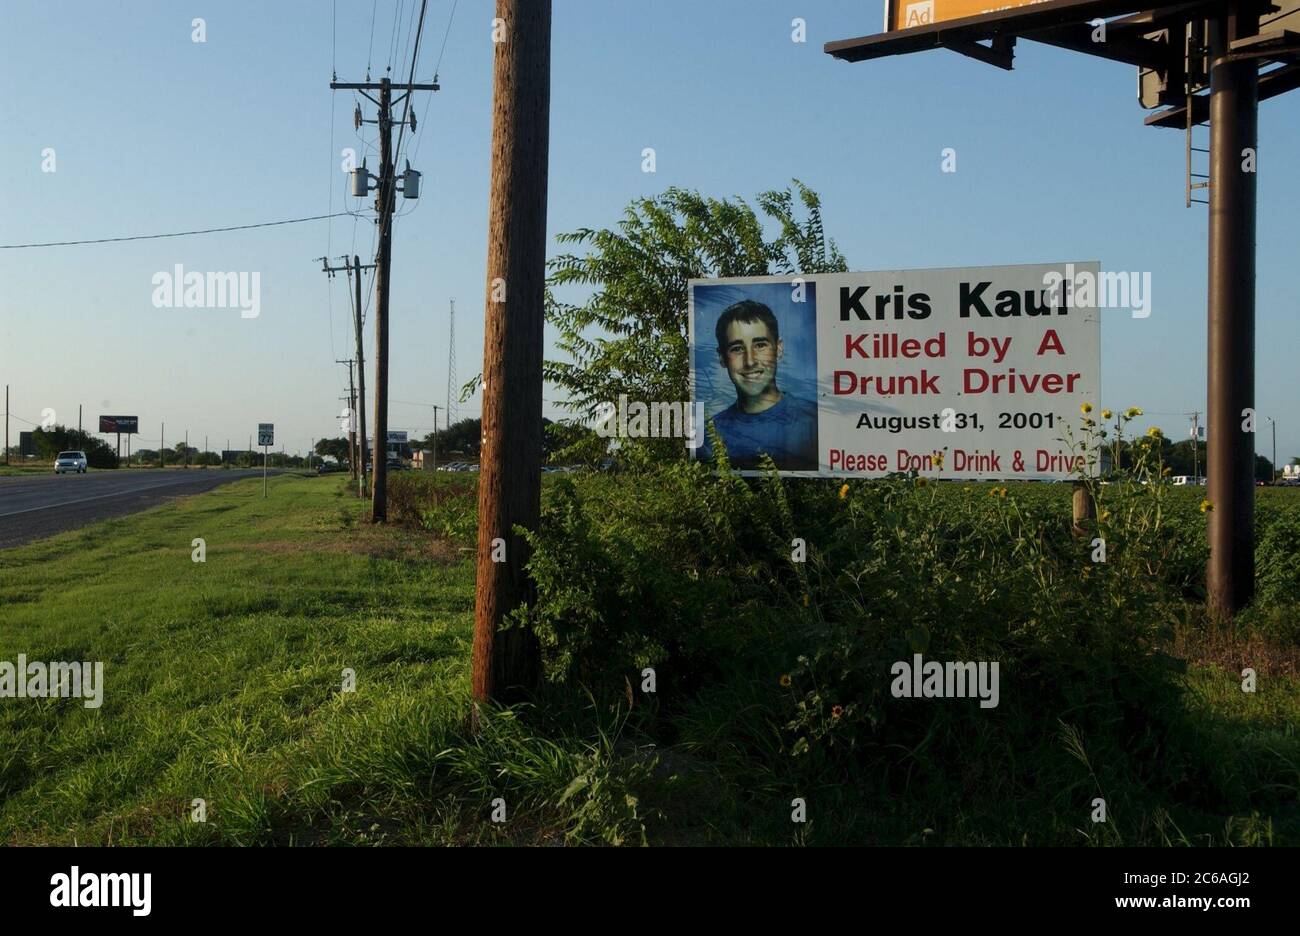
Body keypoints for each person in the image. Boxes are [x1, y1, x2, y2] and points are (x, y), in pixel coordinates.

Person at [699, 299, 817, 469]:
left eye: (760, 345)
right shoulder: (708, 436)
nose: (750, 361)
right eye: (737, 348)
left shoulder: (814, 421)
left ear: (779, 349)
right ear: (721, 357)